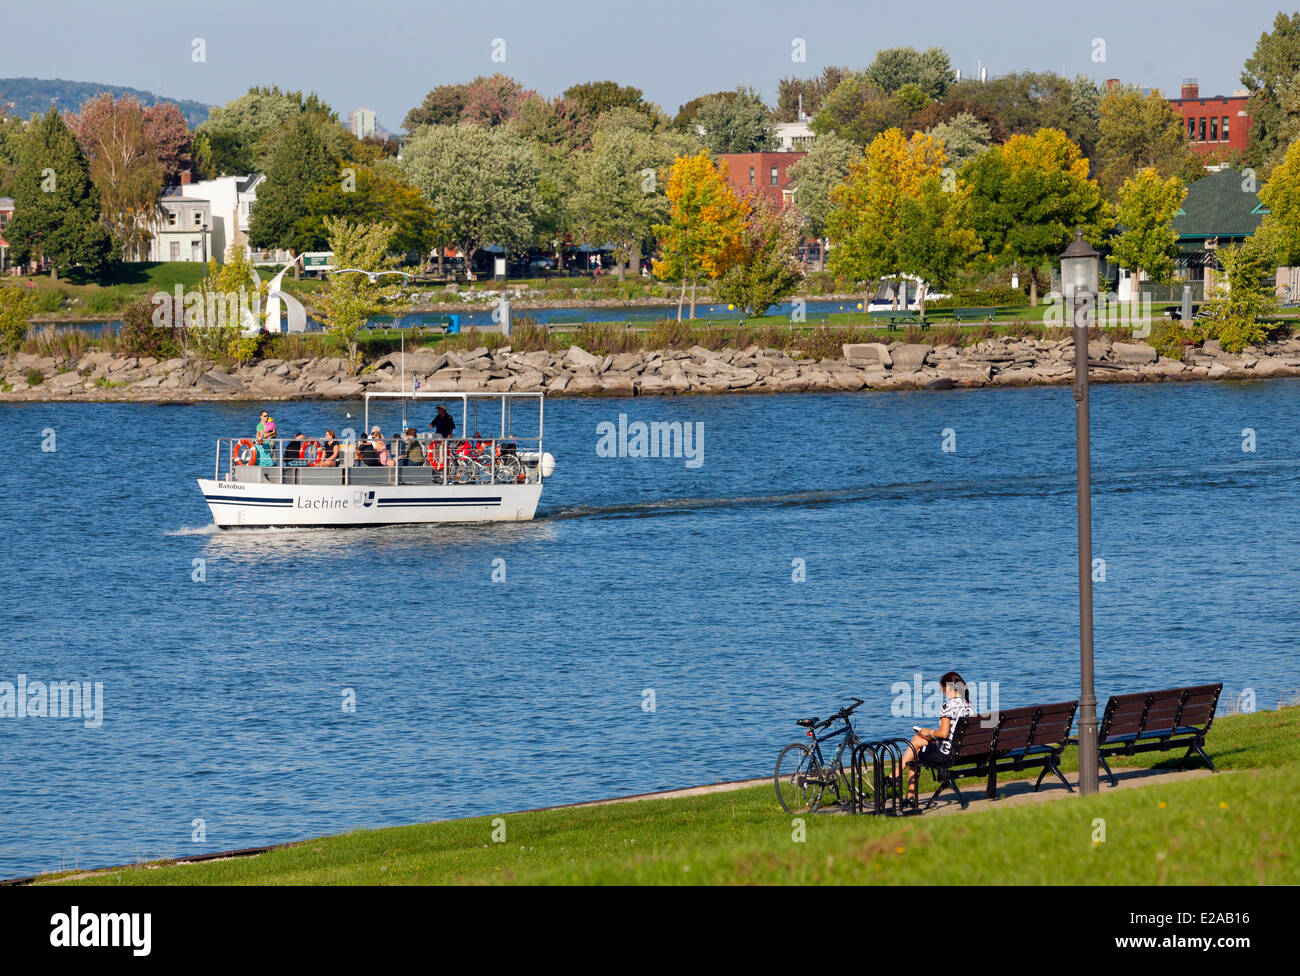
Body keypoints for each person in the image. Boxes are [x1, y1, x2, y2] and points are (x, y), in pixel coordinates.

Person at [897, 671, 975, 805]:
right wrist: (928, 735)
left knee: (914, 749)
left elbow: (944, 734)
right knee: (917, 739)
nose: (943, 692)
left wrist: (929, 732)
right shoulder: (970, 706)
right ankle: (898, 780)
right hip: (962, 751)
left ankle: (900, 783)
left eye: (943, 689)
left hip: (946, 754)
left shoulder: (947, 706)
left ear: (949, 688)